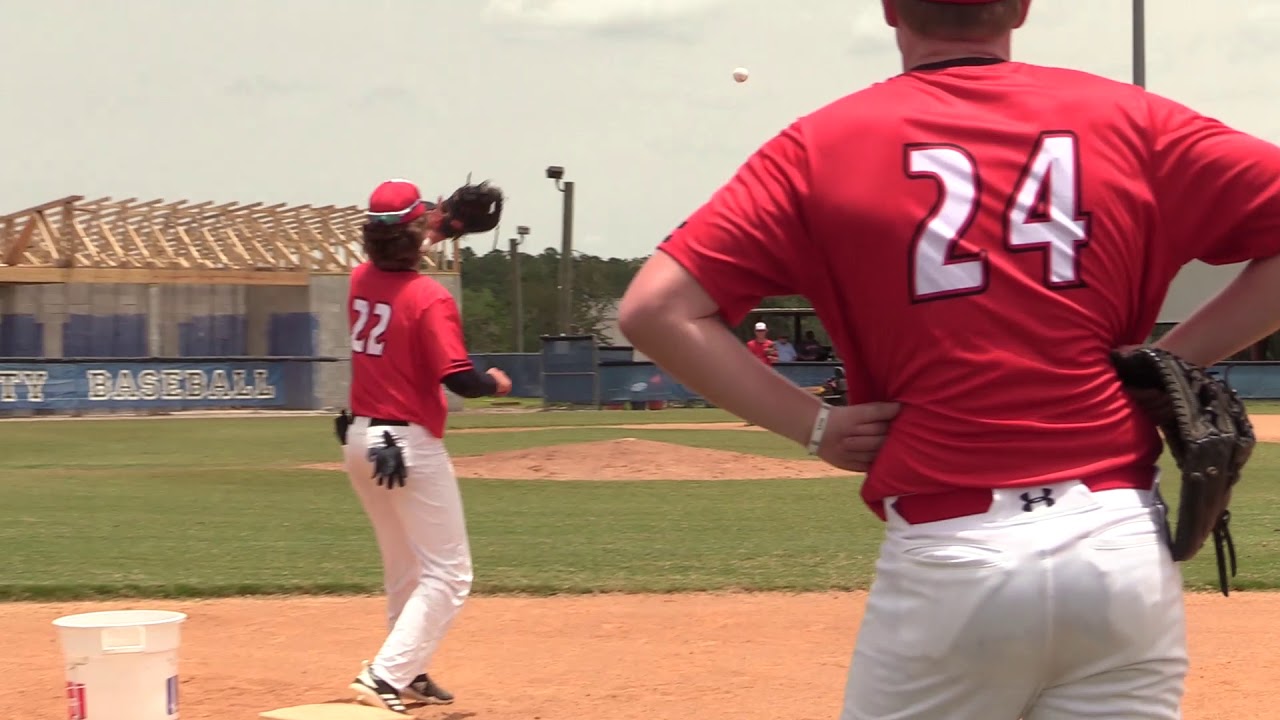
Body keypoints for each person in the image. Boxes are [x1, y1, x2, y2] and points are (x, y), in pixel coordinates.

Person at [617, 1, 1280, 717]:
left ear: (890, 7)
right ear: (1022, 8)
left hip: (953, 552)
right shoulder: (1133, 120)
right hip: (1119, 548)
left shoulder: (820, 144)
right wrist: (1167, 361)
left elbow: (654, 309)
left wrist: (816, 427)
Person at [341, 178, 512, 714]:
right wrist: (495, 383)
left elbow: (394, 250)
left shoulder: (358, 279)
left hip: (359, 438)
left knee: (406, 569)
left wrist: (433, 226)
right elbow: (459, 379)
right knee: (450, 574)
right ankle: (385, 675)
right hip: (407, 442)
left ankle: (407, 672)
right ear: (417, 233)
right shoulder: (429, 297)